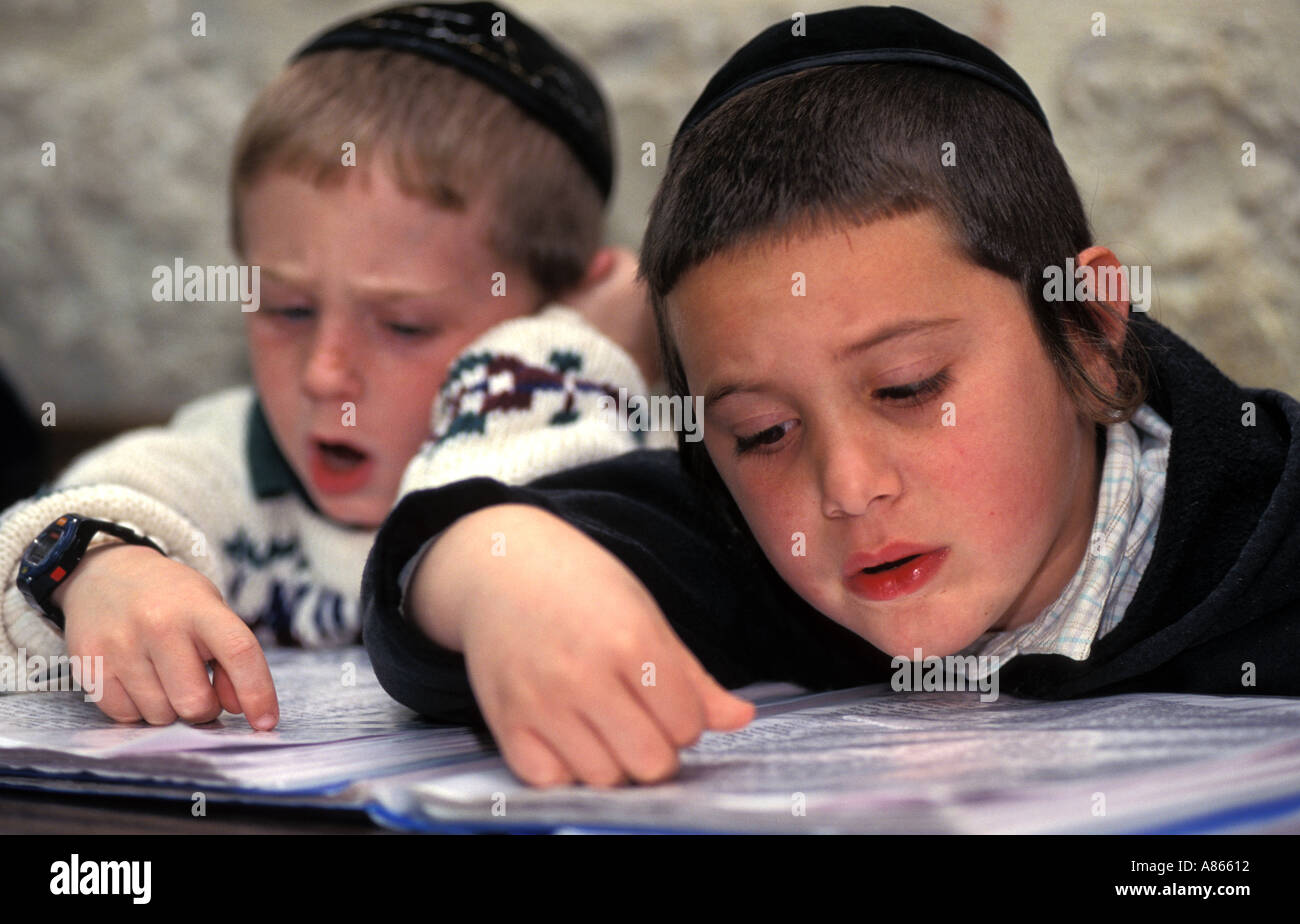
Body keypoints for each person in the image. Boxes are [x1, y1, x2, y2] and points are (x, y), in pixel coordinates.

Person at [362, 6, 1300, 789]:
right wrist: (499, 570)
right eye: (763, 431)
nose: (846, 487)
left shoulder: (1275, 528)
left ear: (1089, 335)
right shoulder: (755, 555)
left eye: (908, 386)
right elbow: (443, 580)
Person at [0, 3, 659, 729]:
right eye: (286, 309)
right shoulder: (228, 460)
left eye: (404, 324)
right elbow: (68, 520)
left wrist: (555, 354)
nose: (324, 374)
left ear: (549, 327)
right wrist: (97, 569)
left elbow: (520, 522)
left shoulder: (605, 440)